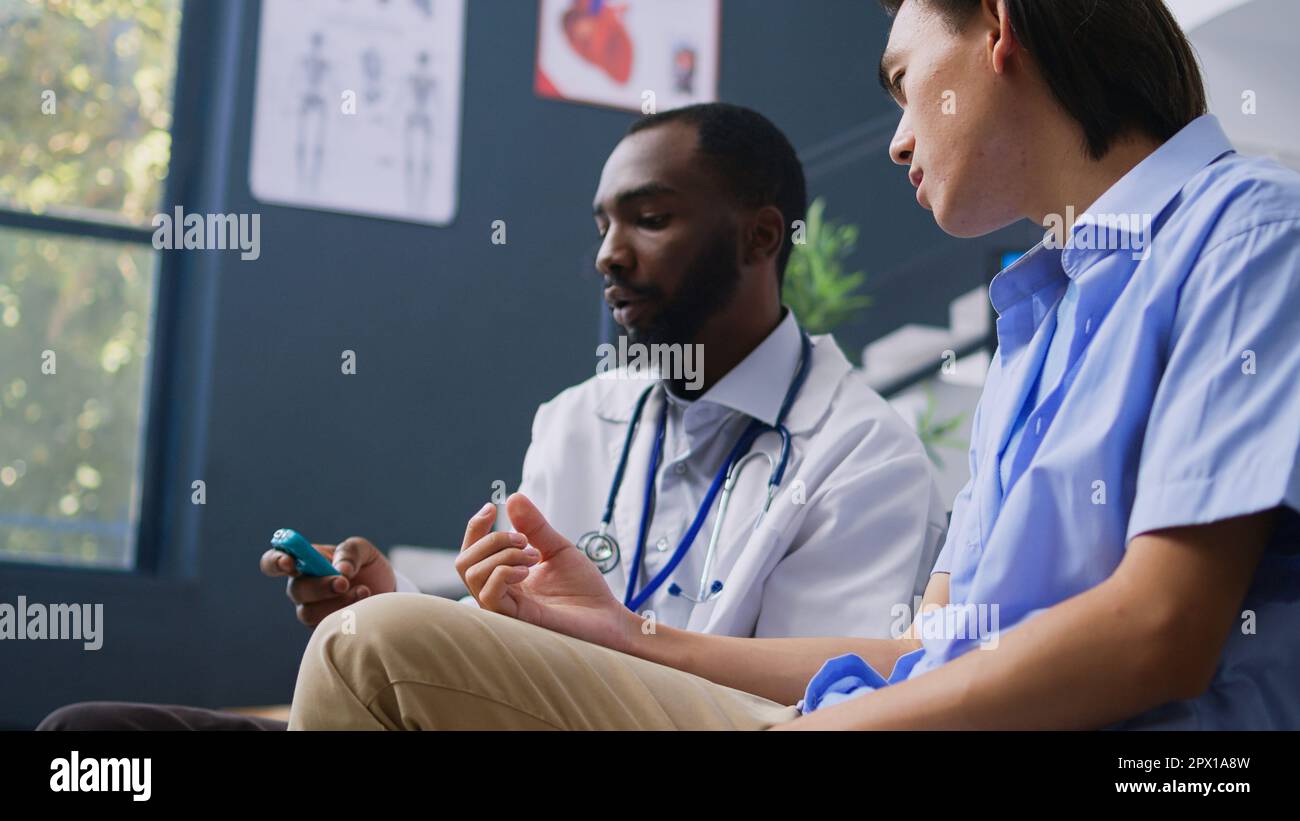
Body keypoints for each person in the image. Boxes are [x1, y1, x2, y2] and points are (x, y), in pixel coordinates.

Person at [287, 0, 1300, 730]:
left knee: (374, 647)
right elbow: (932, 650)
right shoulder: (1042, 313)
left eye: (904, 85)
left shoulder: (1250, 232)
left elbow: (1159, 629)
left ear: (998, 28)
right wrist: (630, 633)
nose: (899, 140)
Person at [38, 103, 946, 731]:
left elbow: (809, 712)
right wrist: (403, 619)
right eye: (600, 225)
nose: (609, 255)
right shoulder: (578, 418)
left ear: (761, 236)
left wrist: (415, 649)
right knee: (91, 739)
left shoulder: (864, 456)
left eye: (651, 218)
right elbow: (518, 647)